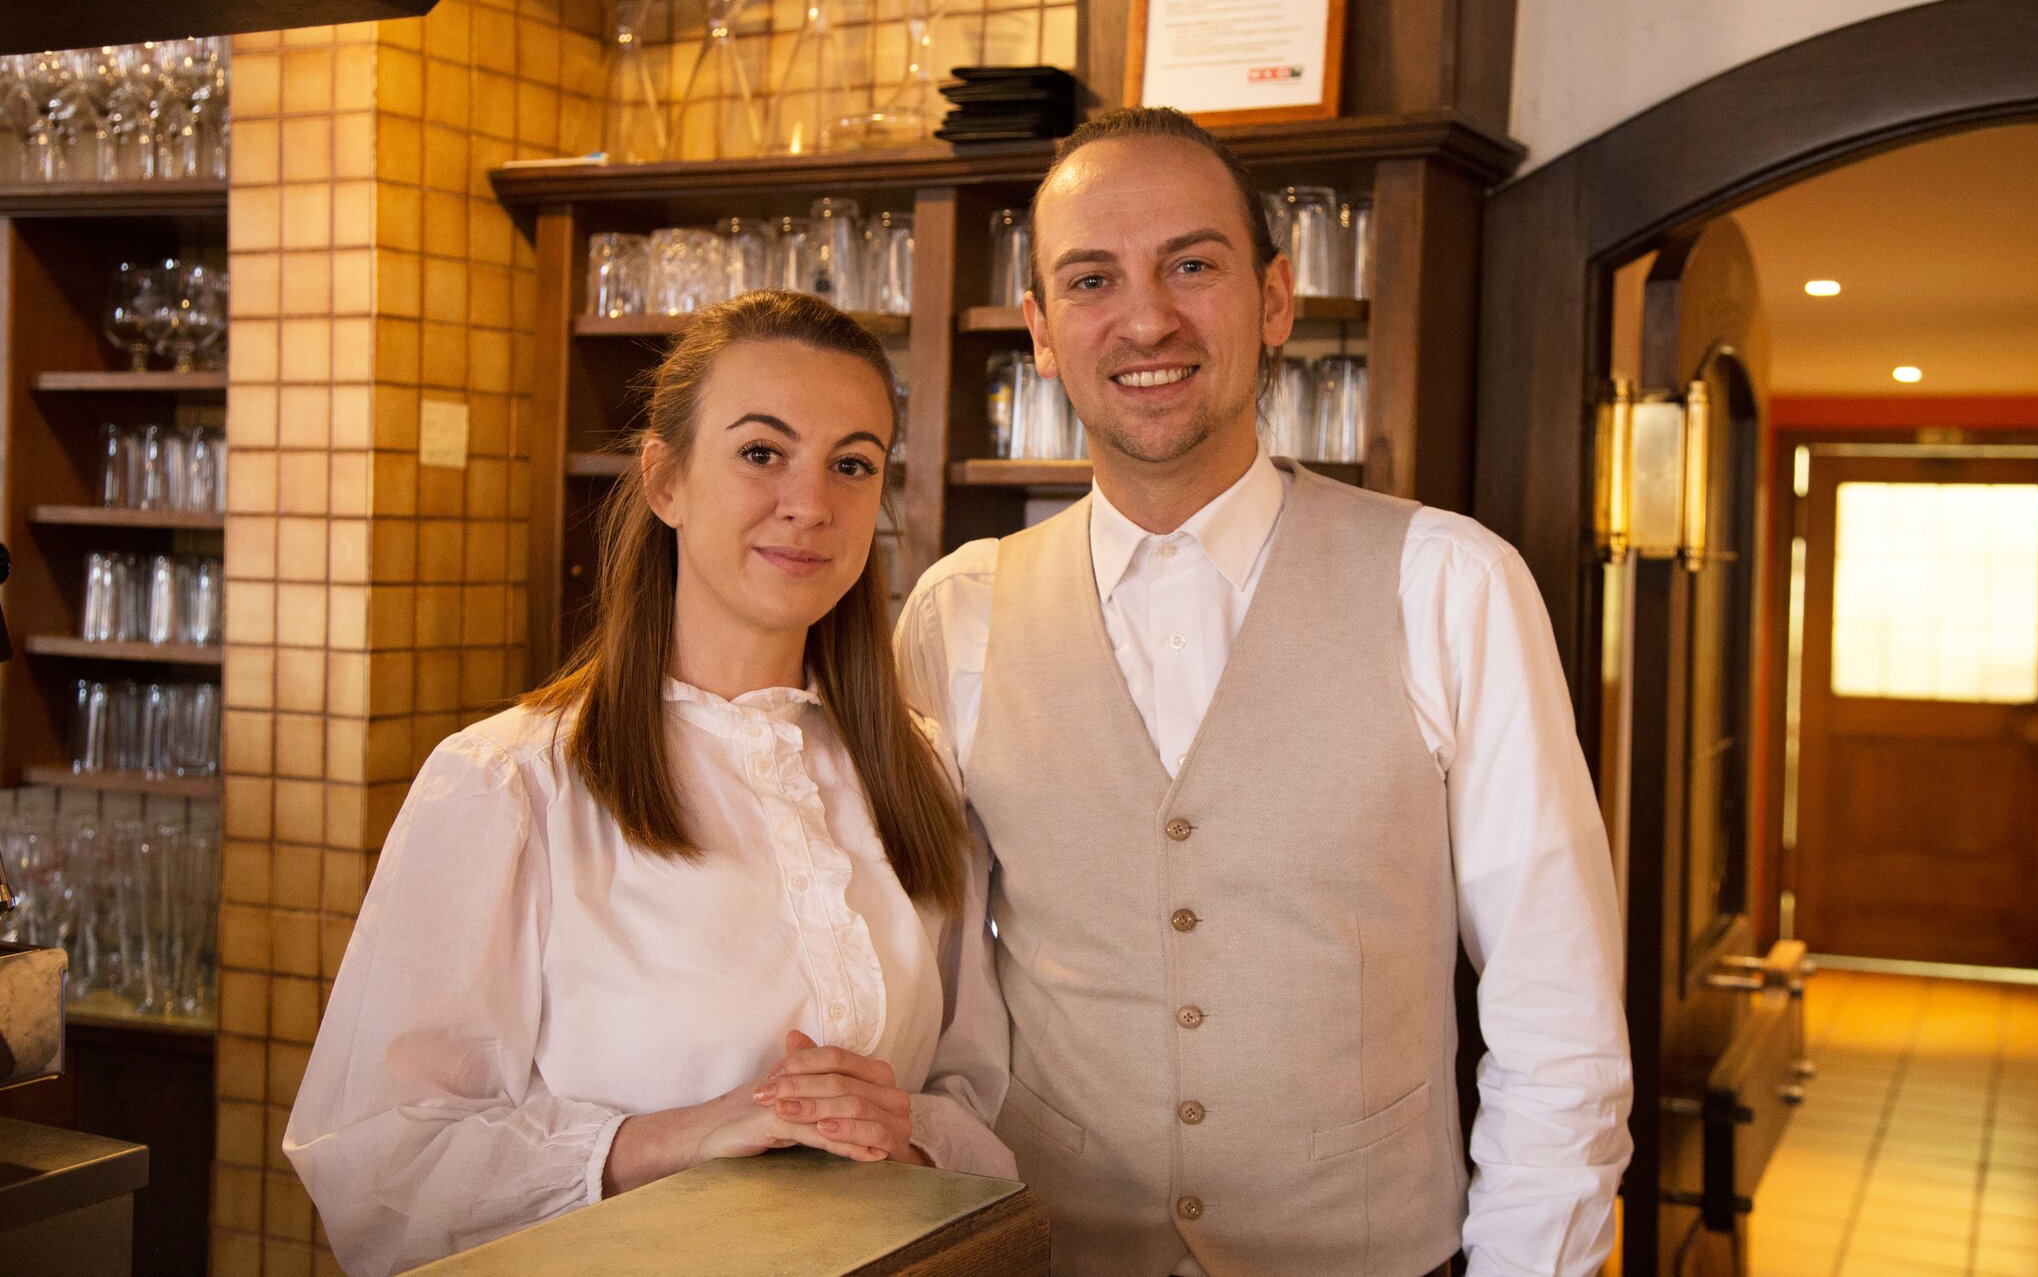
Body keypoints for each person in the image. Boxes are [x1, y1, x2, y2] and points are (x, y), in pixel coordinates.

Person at [896, 107, 1632, 1276]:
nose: (1145, 318)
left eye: (1191, 264)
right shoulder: (955, 614)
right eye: (1091, 279)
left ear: (1274, 299)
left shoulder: (1449, 584)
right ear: (1038, 330)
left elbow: (1558, 1015)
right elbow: (934, 1000)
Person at [288, 292, 1015, 1276]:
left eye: (851, 464)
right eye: (761, 453)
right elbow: (376, 1160)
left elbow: (977, 1090)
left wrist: (905, 1134)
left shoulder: (915, 767)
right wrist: (671, 1140)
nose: (810, 503)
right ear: (665, 479)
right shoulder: (506, 784)